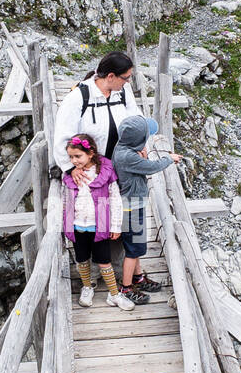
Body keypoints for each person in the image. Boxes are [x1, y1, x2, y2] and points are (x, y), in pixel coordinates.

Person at [112, 114, 180, 305]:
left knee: (136, 248)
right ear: (139, 140)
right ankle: (126, 288)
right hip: (133, 210)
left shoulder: (122, 149)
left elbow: (138, 164)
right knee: (134, 250)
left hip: (131, 207)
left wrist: (140, 154)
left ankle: (138, 277)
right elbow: (151, 167)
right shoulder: (128, 157)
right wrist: (169, 158)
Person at [61, 134, 131, 310]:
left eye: (78, 156)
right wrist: (64, 223)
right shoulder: (70, 175)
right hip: (77, 224)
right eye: (71, 157)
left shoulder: (104, 173)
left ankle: (114, 294)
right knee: (82, 259)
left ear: (90, 153)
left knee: (104, 260)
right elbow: (65, 200)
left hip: (98, 225)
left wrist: (115, 225)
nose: (74, 160)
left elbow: (115, 199)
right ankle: (87, 287)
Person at [52, 52, 137, 173]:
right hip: (88, 171)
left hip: (120, 168)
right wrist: (70, 168)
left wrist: (140, 145)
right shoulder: (77, 98)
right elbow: (63, 136)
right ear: (111, 76)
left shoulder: (123, 95)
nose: (128, 81)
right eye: (125, 77)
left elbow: (137, 122)